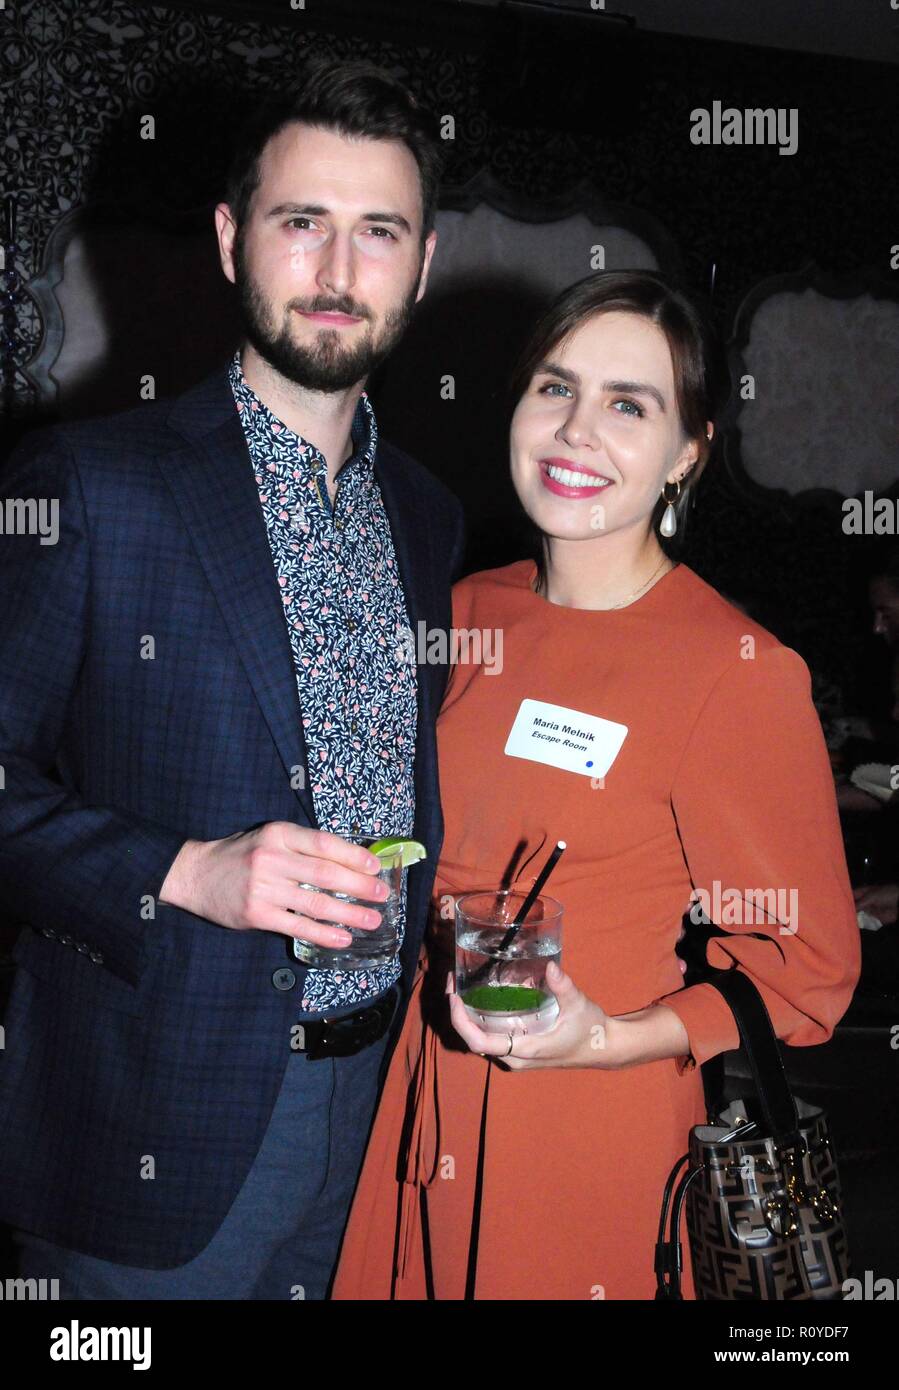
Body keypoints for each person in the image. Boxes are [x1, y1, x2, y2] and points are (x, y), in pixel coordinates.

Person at [0, 58, 465, 1299]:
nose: (334, 269)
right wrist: (182, 870)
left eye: (378, 232)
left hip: (370, 1103)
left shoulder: (427, 516)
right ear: (229, 239)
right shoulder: (91, 481)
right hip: (151, 1117)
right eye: (298, 222)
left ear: (421, 266)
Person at [332, 268, 862, 1300]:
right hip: (414, 1097)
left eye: (629, 405)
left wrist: (608, 1037)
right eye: (554, 388)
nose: (578, 431)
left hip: (583, 1124)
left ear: (685, 452)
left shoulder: (734, 669)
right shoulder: (462, 609)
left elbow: (807, 966)